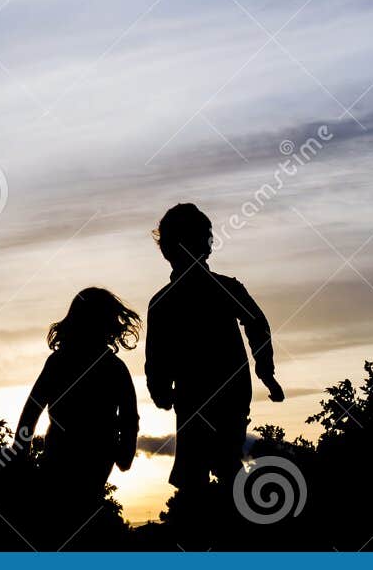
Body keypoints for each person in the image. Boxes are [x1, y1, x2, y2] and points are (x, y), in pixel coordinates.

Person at [145, 203, 282, 504]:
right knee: (223, 468)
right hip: (219, 395)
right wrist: (265, 371)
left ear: (166, 249)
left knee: (201, 473)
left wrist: (160, 389)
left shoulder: (165, 301)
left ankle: (205, 536)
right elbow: (257, 324)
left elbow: (157, 357)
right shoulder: (221, 289)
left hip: (200, 396)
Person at [16, 287, 140, 533]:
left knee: (60, 521)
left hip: (65, 452)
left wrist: (21, 452)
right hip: (94, 454)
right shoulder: (113, 367)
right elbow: (129, 418)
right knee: (78, 517)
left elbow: (32, 410)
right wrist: (125, 452)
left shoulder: (60, 363)